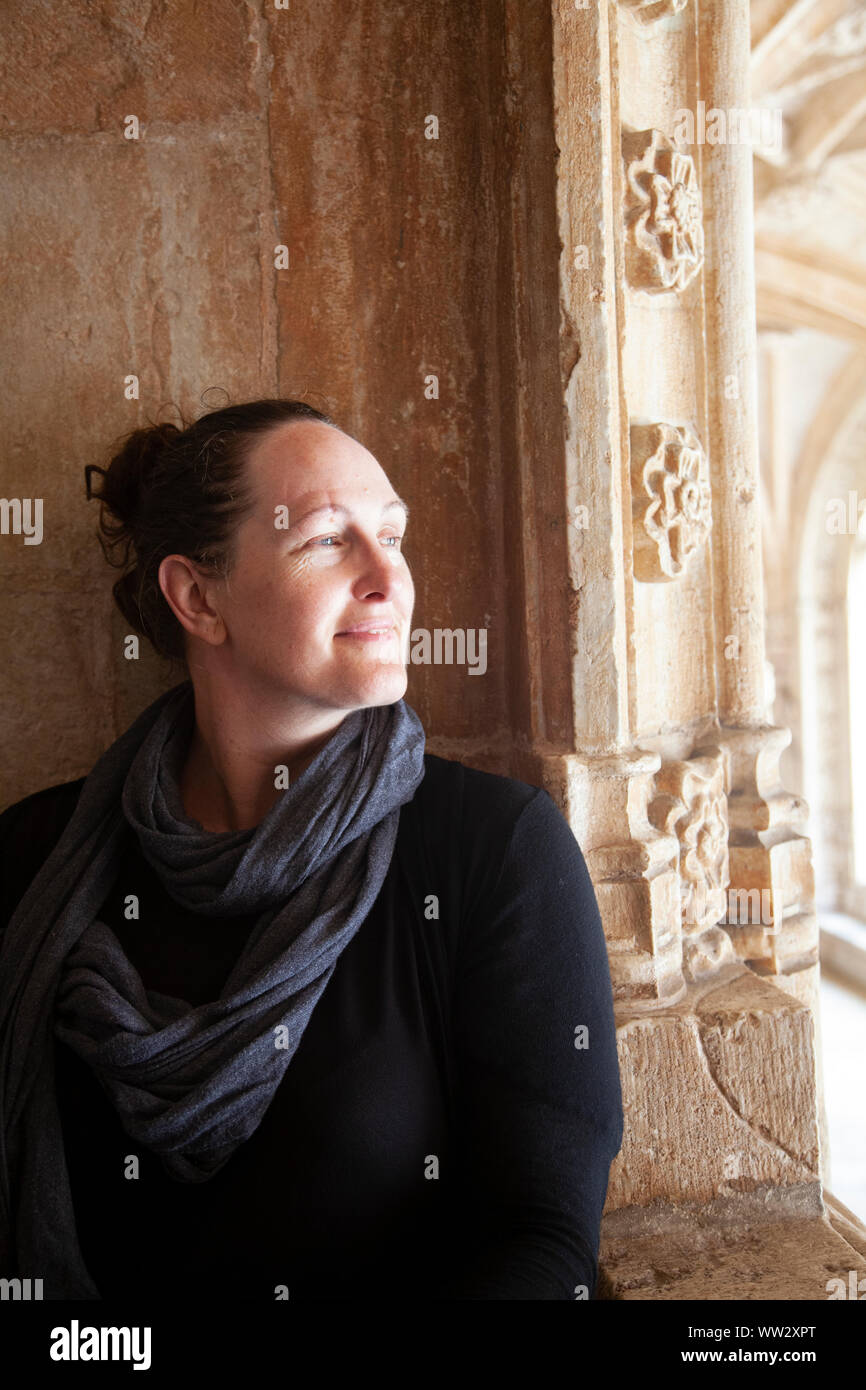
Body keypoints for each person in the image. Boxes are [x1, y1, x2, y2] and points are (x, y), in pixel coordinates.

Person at [0, 399, 624, 1301]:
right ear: (197, 597)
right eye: (330, 541)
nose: (388, 579)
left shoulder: (493, 852)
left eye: (392, 535)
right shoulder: (36, 857)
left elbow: (542, 1244)